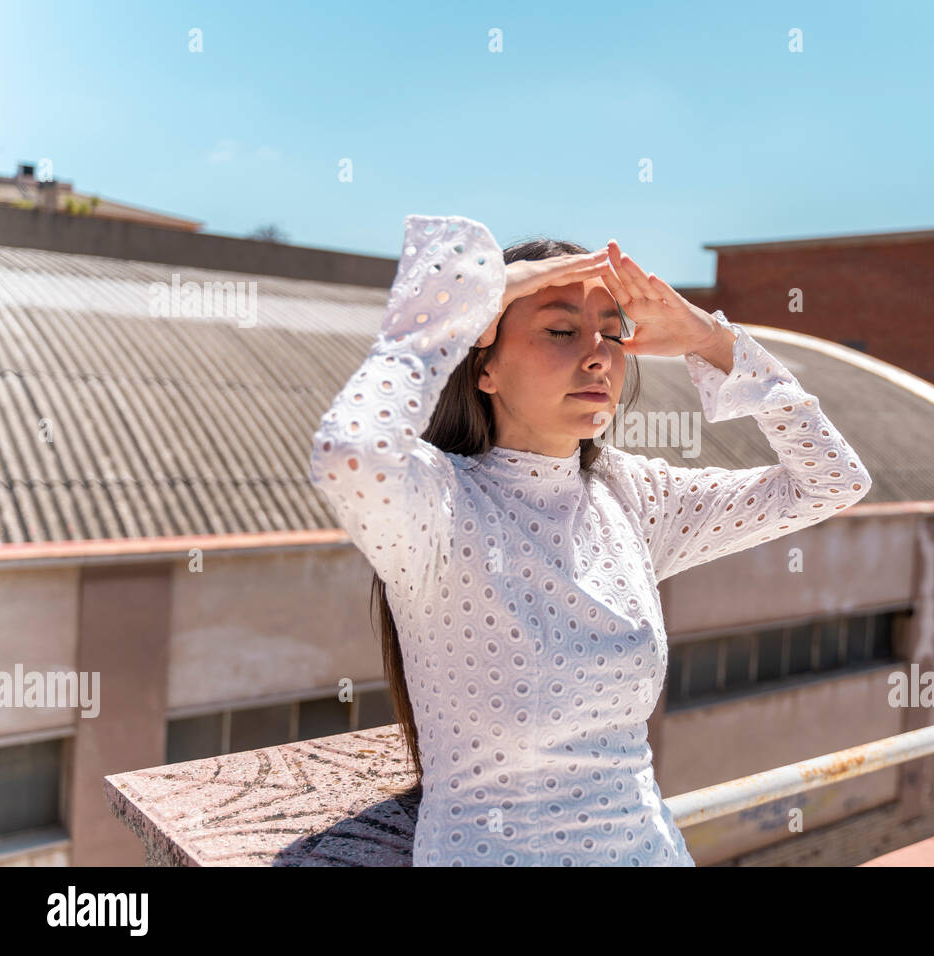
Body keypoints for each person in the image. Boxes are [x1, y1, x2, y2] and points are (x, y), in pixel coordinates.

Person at [310, 214, 873, 866]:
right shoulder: (440, 506)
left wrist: (710, 340)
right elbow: (349, 452)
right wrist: (445, 313)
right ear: (483, 365)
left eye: (612, 332)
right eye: (559, 330)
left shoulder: (629, 495)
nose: (598, 354)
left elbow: (831, 481)